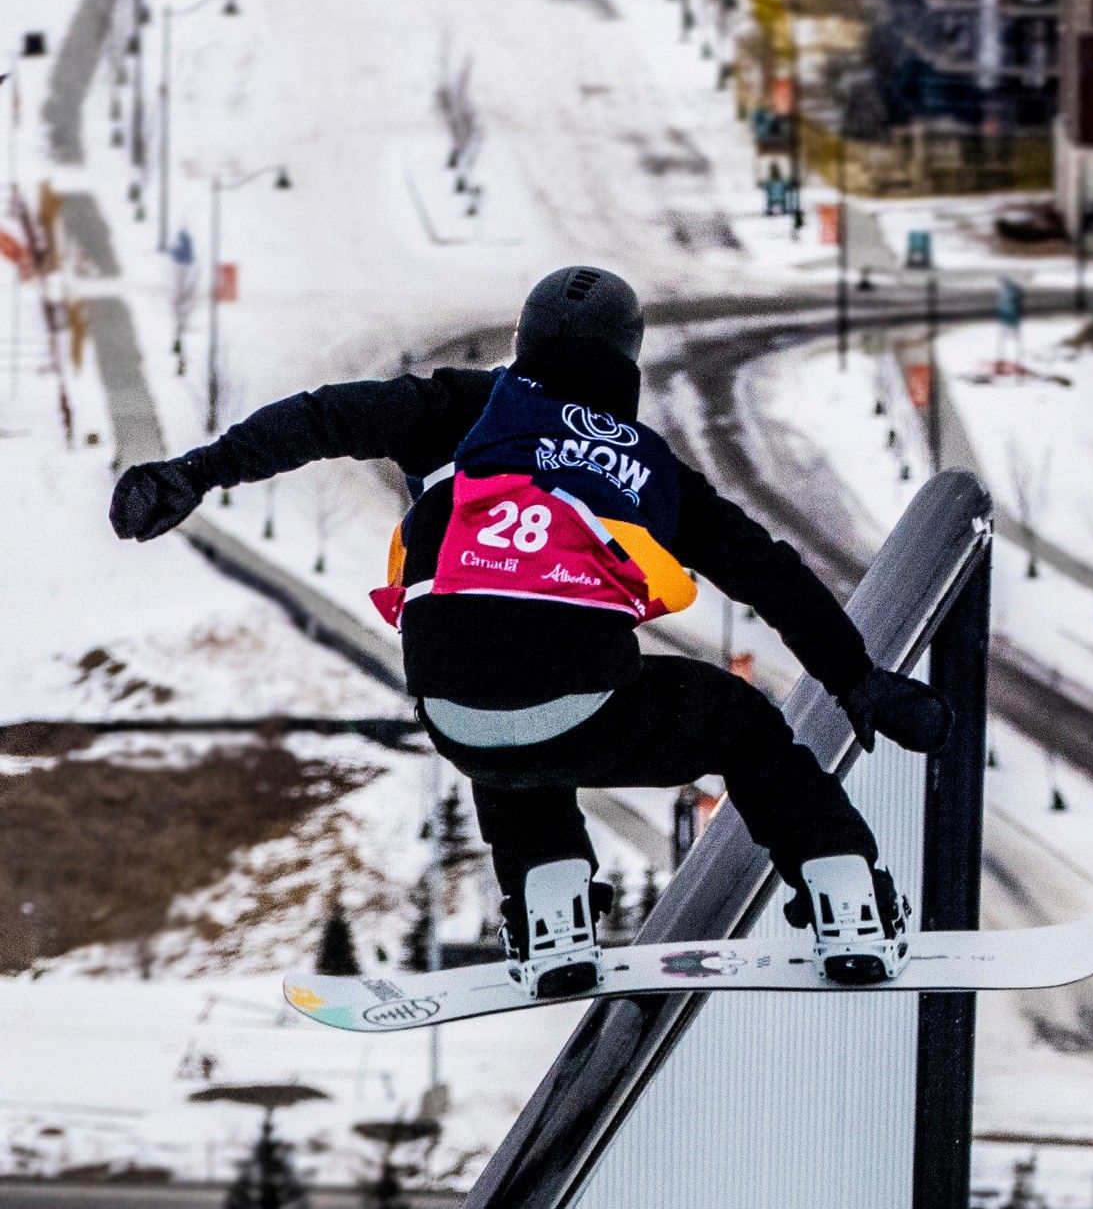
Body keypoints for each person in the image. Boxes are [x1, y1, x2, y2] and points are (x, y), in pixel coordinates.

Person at [108, 265, 950, 993]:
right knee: (745, 725)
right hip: (586, 697)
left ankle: (552, 908)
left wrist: (198, 471)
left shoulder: (459, 408)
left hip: (453, 709)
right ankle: (845, 898)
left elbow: (322, 417)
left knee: (508, 728)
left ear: (525, 340)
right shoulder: (645, 463)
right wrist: (857, 682)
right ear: (627, 357)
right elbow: (767, 569)